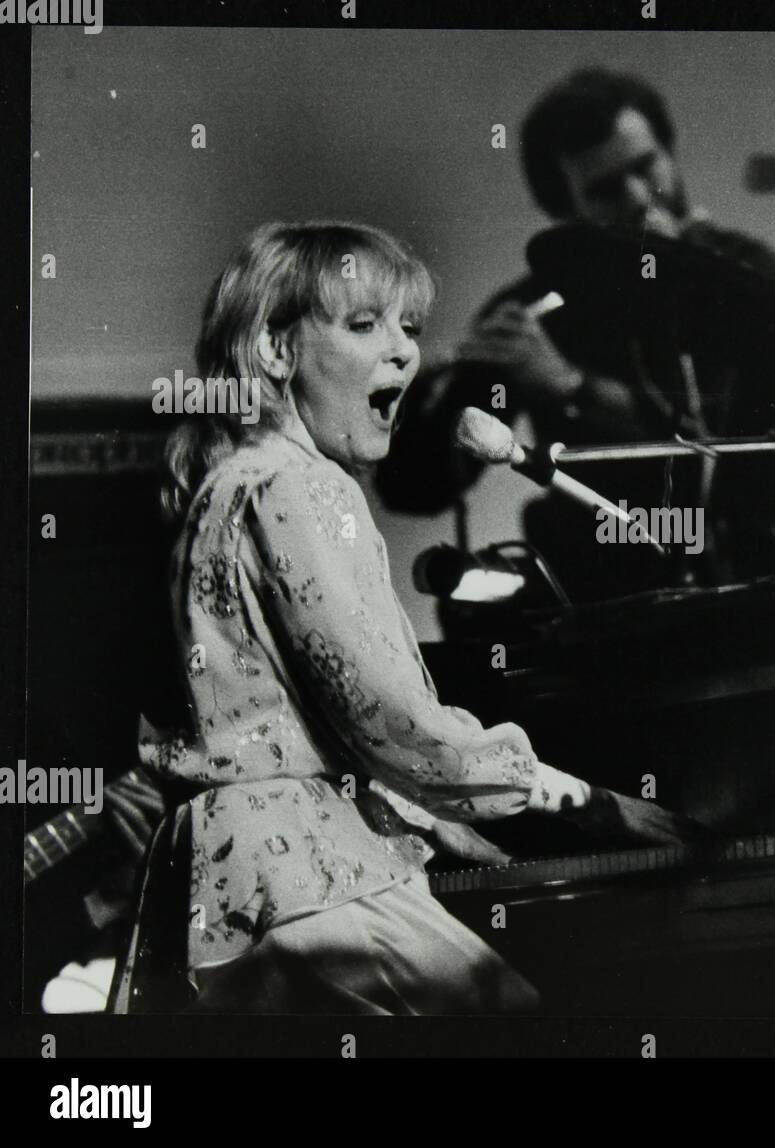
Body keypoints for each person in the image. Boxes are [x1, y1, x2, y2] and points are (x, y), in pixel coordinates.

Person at [115, 221, 697, 1014]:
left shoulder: (223, 486)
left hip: (225, 895)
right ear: (276, 352)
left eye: (410, 329)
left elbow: (337, 738)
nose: (404, 354)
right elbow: (393, 722)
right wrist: (594, 805)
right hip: (310, 887)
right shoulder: (306, 488)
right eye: (364, 325)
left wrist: (484, 839)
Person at [378, 67, 775, 602]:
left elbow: (723, 441)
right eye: (607, 190)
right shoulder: (535, 310)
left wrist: (571, 387)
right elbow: (419, 491)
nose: (638, 198)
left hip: (750, 580)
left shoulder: (747, 274)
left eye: (645, 167)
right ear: (565, 209)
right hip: (598, 600)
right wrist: (410, 392)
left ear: (669, 152)